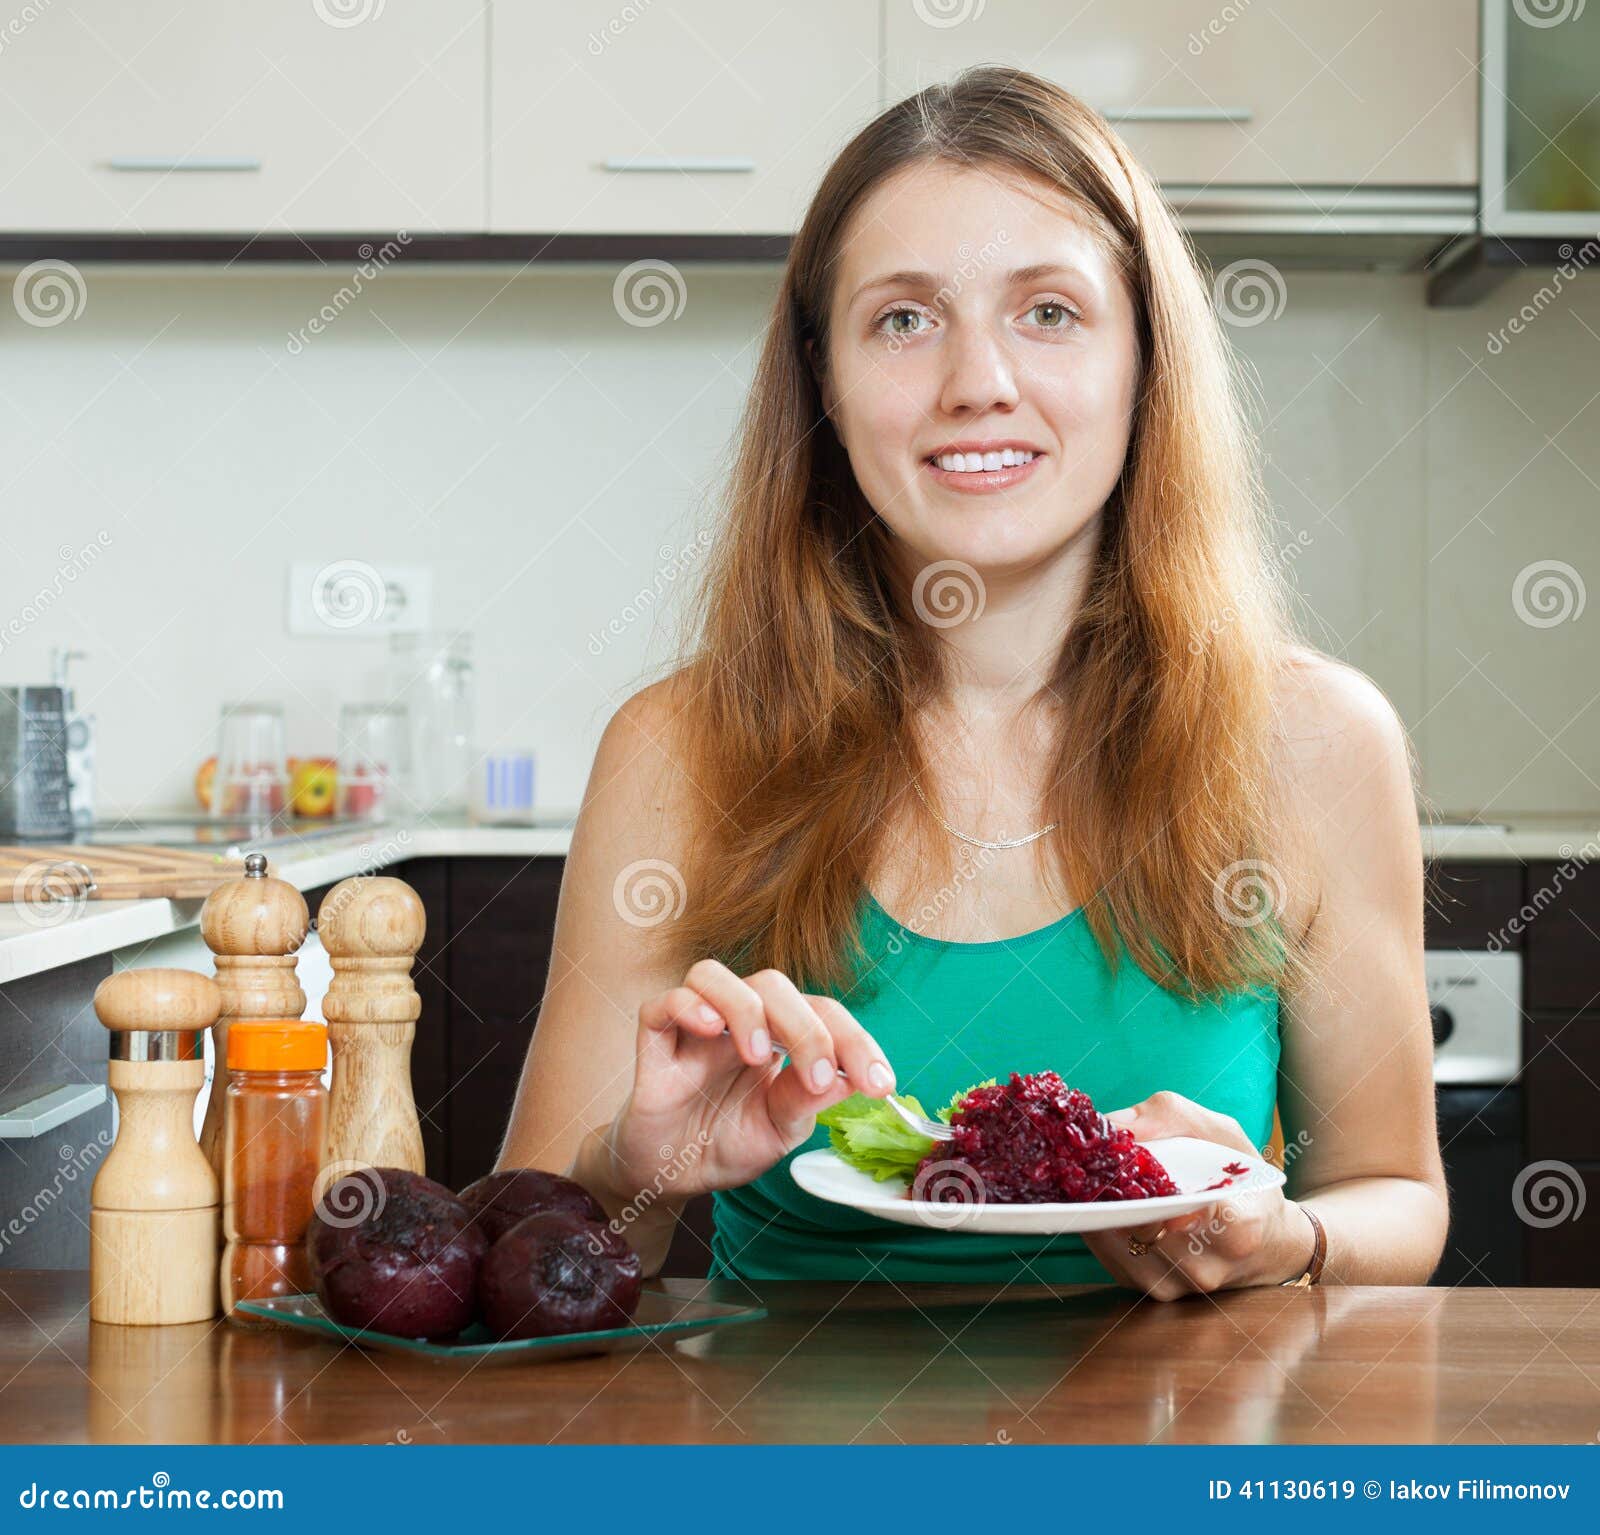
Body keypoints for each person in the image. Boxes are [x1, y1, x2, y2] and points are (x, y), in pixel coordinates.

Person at [498, 66, 1448, 1299]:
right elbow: (529, 1254)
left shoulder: (1317, 740)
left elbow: (1398, 1194)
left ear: (1143, 359)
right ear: (823, 385)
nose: (977, 381)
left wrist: (1289, 1238)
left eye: (1048, 311)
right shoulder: (681, 748)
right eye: (903, 319)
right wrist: (641, 1166)